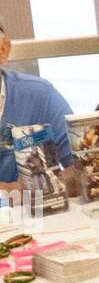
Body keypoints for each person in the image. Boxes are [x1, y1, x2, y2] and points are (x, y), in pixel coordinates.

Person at [0, 14, 75, 192]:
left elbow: (83, 169)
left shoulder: (40, 95)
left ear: (3, 50)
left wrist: (14, 191)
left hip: (35, 216)